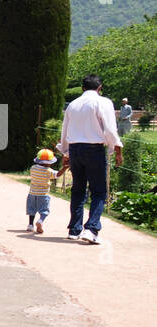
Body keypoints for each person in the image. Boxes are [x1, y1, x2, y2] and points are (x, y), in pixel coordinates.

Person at [57, 74, 123, 244]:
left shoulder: (73, 104)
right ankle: (91, 229)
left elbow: (65, 129)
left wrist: (65, 151)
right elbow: (109, 128)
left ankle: (74, 229)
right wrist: (116, 148)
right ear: (100, 87)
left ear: (82, 88)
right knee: (99, 191)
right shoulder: (103, 102)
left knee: (78, 189)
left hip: (75, 148)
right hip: (94, 149)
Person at [25, 148, 60, 234]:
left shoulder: (32, 168)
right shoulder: (48, 171)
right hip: (43, 194)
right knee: (44, 211)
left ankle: (30, 225)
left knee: (31, 210)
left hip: (32, 193)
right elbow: (57, 174)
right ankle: (40, 221)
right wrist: (65, 167)